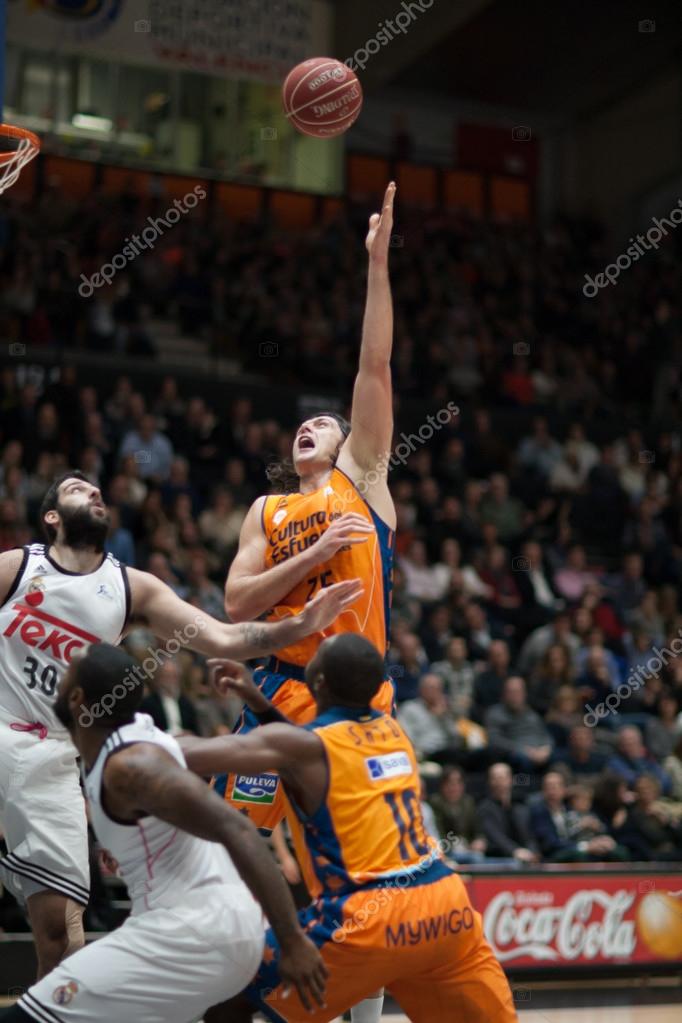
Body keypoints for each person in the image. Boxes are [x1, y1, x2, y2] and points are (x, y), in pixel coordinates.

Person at [0, 470, 360, 979]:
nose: (96, 492)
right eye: (79, 490)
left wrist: (299, 625)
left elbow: (225, 638)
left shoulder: (131, 588)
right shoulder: (17, 567)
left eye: (98, 489)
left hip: (53, 757)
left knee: (59, 931)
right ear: (51, 516)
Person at [182, 634, 516, 1023]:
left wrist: (131, 731)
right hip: (445, 904)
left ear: (318, 681)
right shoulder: (394, 733)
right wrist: (260, 702)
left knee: (228, 998)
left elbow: (198, 755)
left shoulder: (304, 747)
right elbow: (309, 746)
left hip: (369, 916)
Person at [0, 643, 326, 1023]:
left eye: (64, 673)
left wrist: (292, 941)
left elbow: (238, 827)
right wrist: (256, 700)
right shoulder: (153, 745)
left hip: (189, 934)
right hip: (226, 932)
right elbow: (282, 749)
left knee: (27, 1019)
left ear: (76, 699)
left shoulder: (133, 766)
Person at [218, 184, 399, 837]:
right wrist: (313, 555)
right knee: (242, 846)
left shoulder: (364, 479)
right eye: (303, 422)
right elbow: (237, 604)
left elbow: (374, 365)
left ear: (346, 442)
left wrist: (377, 267)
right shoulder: (265, 509)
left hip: (354, 692)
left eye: (324, 422)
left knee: (347, 850)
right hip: (281, 684)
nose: (309, 425)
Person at [477, 762, 539, 864]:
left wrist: (533, 851)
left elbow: (529, 836)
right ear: (489, 782)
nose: (499, 782)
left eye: (502, 778)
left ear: (510, 780)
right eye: (495, 778)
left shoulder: (520, 807)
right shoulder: (484, 808)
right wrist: (515, 851)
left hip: (524, 856)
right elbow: (496, 837)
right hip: (498, 858)